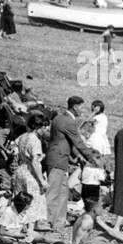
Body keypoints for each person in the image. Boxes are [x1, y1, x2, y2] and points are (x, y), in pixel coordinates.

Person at [45, 96, 97, 232]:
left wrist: (78, 156)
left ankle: (58, 222)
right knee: (54, 192)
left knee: (63, 192)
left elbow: (68, 142)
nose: (82, 110)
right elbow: (78, 141)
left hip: (61, 159)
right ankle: (47, 221)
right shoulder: (67, 121)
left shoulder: (60, 118)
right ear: (74, 106)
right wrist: (91, 157)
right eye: (81, 107)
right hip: (58, 159)